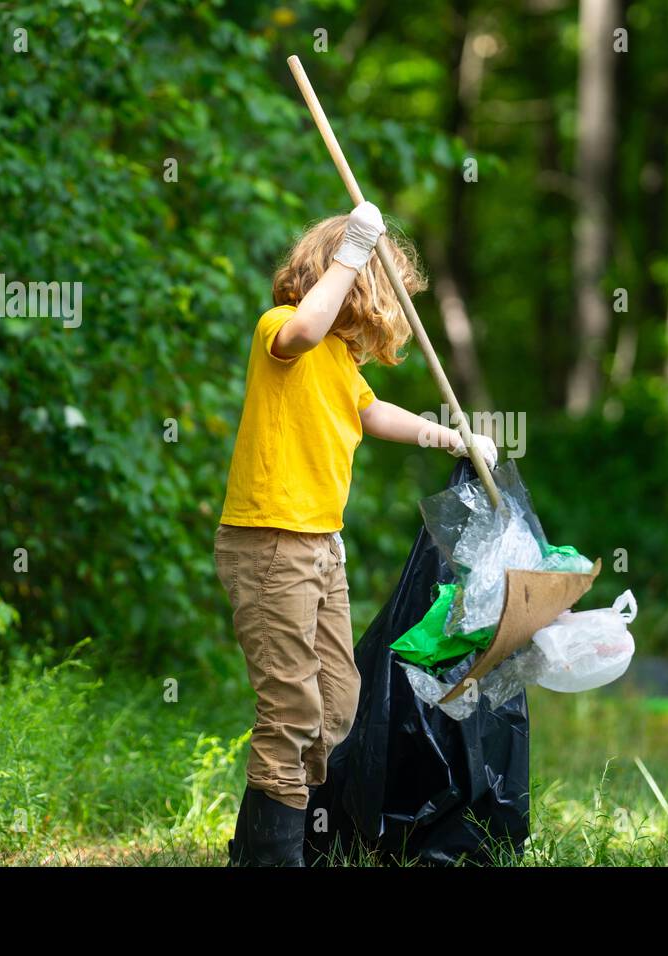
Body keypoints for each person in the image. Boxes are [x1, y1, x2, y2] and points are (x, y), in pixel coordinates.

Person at [213, 202, 497, 866]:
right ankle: (273, 859)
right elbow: (306, 330)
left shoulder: (340, 362)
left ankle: (261, 843)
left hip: (320, 548)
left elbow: (373, 412)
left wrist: (450, 437)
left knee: (336, 709)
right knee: (290, 711)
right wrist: (353, 250)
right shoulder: (282, 328)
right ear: (344, 276)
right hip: (269, 544)